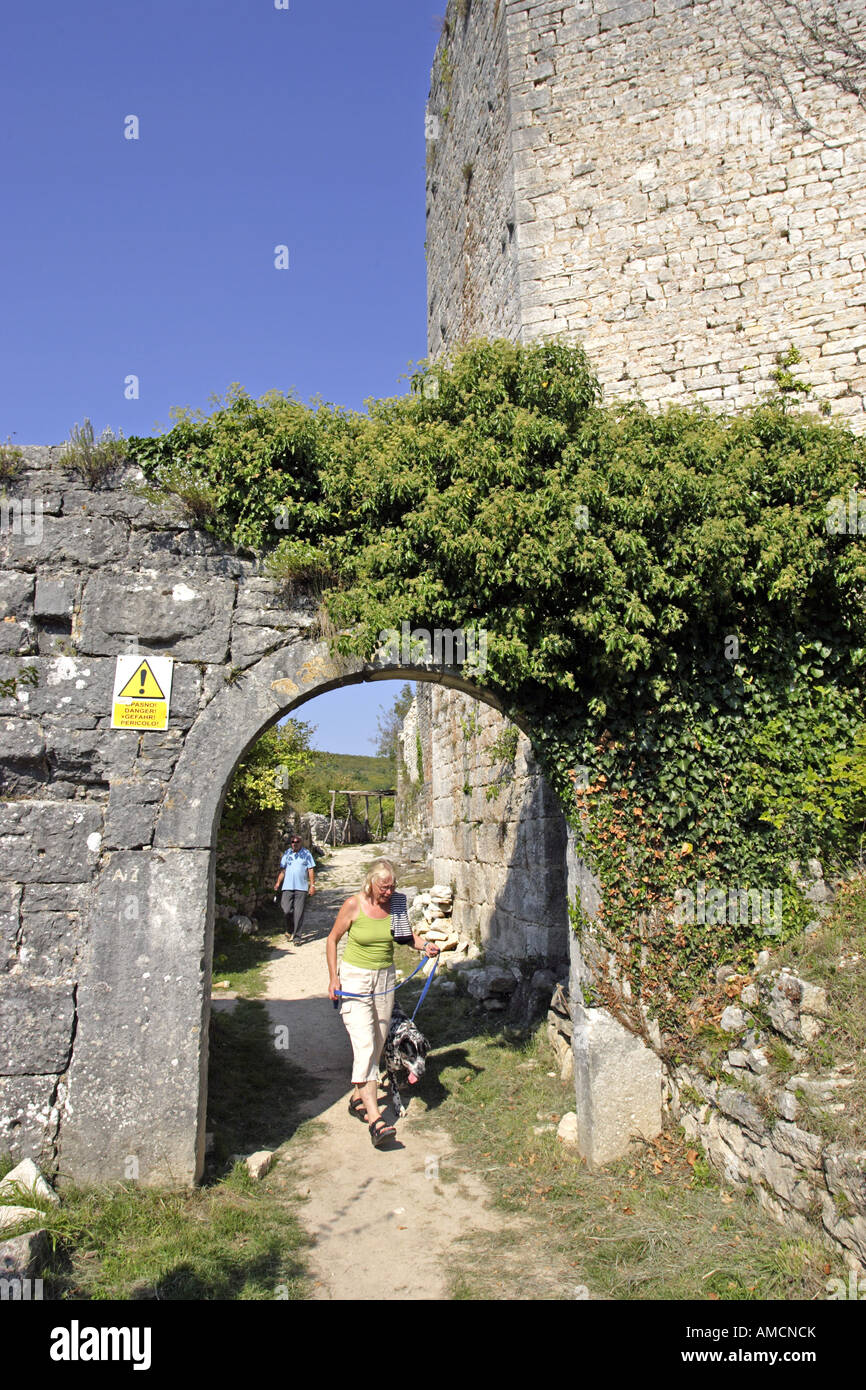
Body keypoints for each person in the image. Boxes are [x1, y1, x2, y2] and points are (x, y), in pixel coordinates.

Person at [326, 858, 439, 1147]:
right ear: (370, 883)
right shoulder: (354, 904)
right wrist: (333, 979)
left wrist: (424, 945)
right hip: (355, 980)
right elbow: (332, 939)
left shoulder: (398, 904)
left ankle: (357, 1098)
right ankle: (376, 1119)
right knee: (364, 1044)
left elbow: (404, 936)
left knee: (377, 1043)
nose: (389, 892)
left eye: (393, 886)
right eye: (384, 887)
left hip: (384, 980)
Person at [274, 834, 316, 941]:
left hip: (301, 887)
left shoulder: (306, 854)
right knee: (286, 909)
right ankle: (289, 929)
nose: (294, 844)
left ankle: (297, 937)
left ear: (300, 843)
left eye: (297, 842)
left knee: (299, 912)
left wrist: (312, 885)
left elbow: (310, 869)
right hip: (287, 886)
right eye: (293, 842)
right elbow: (283, 870)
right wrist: (278, 882)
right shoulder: (287, 853)